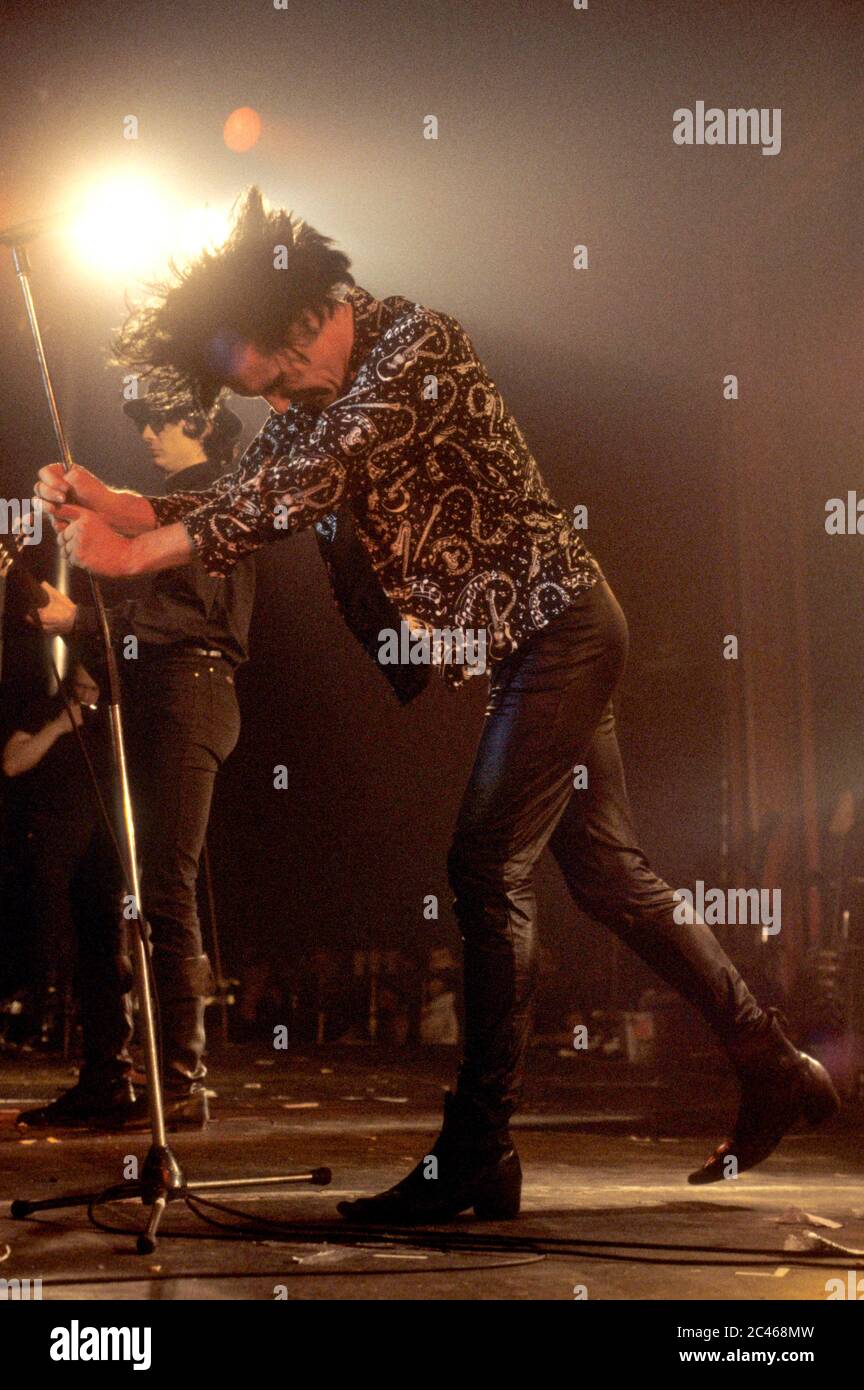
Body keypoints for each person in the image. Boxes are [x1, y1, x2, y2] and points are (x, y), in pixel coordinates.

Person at [32, 187, 839, 1216]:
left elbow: (312, 475)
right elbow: (260, 484)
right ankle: (770, 1060)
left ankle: (478, 1152)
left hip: (566, 629)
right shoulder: (311, 400)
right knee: (609, 877)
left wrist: (140, 550)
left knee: (483, 862)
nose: (275, 403)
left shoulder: (418, 344)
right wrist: (120, 501)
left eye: (275, 377)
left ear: (308, 315)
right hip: (535, 647)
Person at [19, 394, 255, 1131]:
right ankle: (107, 1077)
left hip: (192, 695)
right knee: (97, 887)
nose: (149, 434)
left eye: (164, 420)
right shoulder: (158, 511)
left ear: (207, 423)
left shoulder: (223, 501)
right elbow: (130, 633)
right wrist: (54, 607)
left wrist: (79, 619)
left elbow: (186, 618)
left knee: (164, 890)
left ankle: (182, 1083)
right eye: (144, 423)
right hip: (150, 700)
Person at [2, 663, 112, 1047]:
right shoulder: (47, 711)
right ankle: (44, 1021)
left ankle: (99, 1030)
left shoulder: (113, 721)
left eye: (93, 690)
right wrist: (59, 727)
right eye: (79, 687)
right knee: (52, 932)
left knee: (104, 936)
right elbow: (13, 763)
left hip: (102, 847)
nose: (86, 697)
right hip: (51, 843)